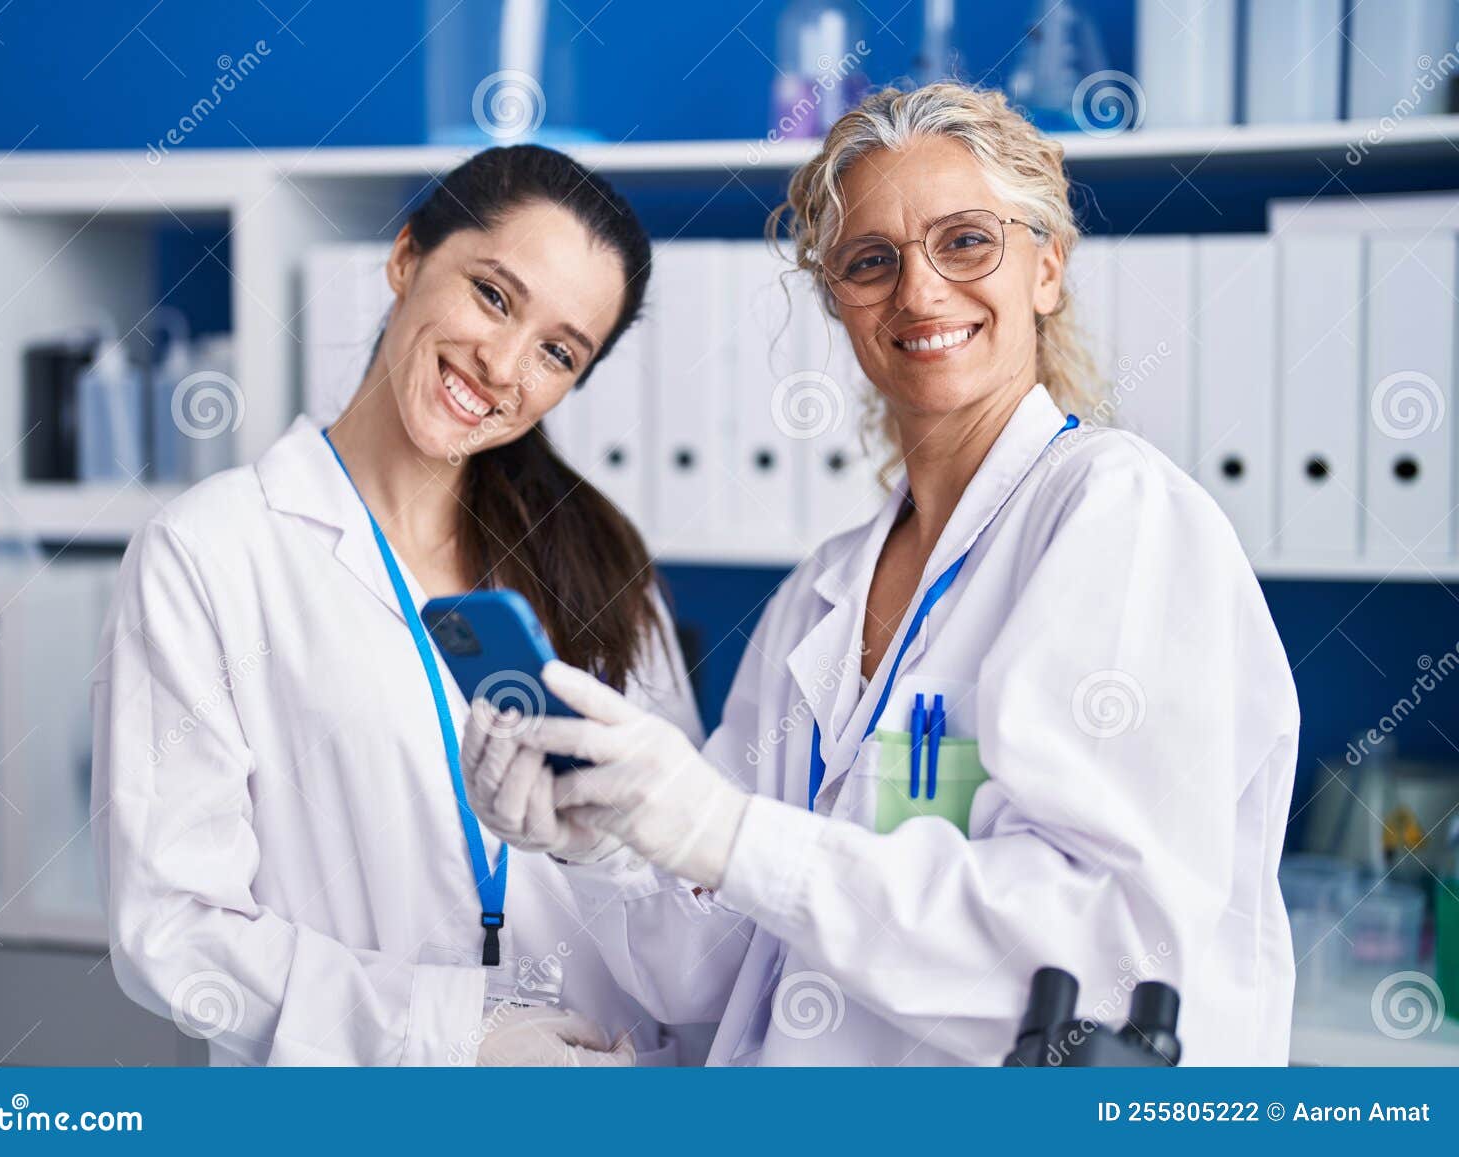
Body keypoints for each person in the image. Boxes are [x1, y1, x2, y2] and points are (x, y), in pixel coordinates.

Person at [460, 83, 1301, 1066]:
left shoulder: (1117, 517)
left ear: (1047, 267)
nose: (919, 291)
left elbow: (1101, 961)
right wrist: (601, 839)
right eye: (870, 262)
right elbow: (710, 973)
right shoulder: (819, 594)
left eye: (966, 242)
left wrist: (726, 830)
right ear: (838, 304)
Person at [91, 145, 702, 1067]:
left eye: (556, 351)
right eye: (493, 295)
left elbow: (683, 884)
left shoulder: (605, 560)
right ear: (408, 258)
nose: (502, 366)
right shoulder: (212, 550)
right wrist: (454, 1034)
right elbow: (173, 925)